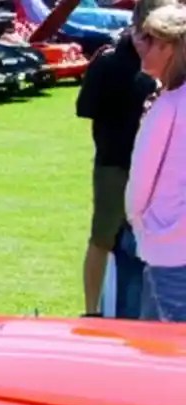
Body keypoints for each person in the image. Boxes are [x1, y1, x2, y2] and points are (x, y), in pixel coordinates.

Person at [75, 0, 168, 318]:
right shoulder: (110, 62)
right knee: (102, 236)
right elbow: (87, 109)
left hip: (157, 167)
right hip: (116, 163)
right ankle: (91, 310)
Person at [128, 3, 186, 320]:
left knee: (169, 350)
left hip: (170, 248)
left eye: (149, 39)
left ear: (169, 47)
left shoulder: (168, 105)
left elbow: (140, 182)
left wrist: (141, 223)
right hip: (170, 244)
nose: (141, 45)